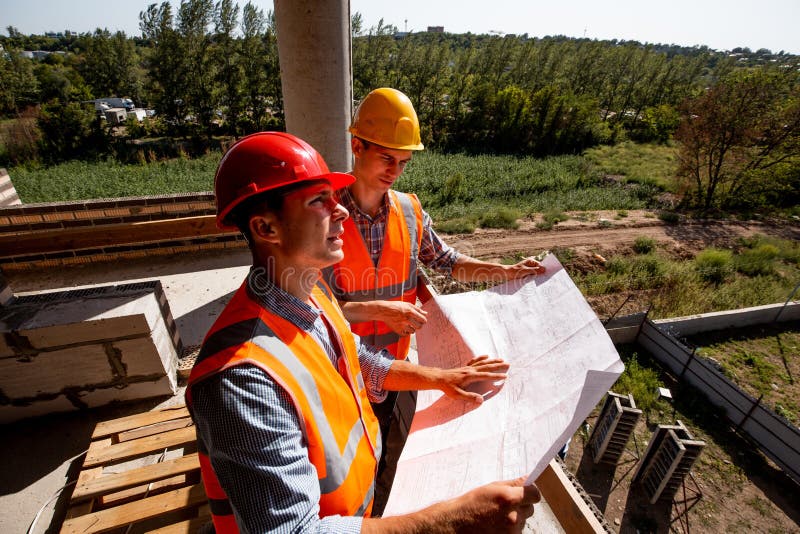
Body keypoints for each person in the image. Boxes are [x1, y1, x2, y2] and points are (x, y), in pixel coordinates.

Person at [186, 131, 541, 533]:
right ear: (266, 228)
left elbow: (356, 357)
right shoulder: (241, 381)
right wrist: (452, 522)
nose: (340, 212)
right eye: (319, 200)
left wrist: (440, 379)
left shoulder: (311, 291)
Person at [322, 87, 547, 512]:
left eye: (403, 162)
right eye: (387, 157)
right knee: (339, 459)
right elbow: (312, 307)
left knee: (382, 448)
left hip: (398, 368)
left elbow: (447, 261)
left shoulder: (410, 212)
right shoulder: (325, 214)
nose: (396, 170)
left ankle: (378, 510)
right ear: (357, 146)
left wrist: (506, 271)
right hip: (338, 366)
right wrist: (373, 310)